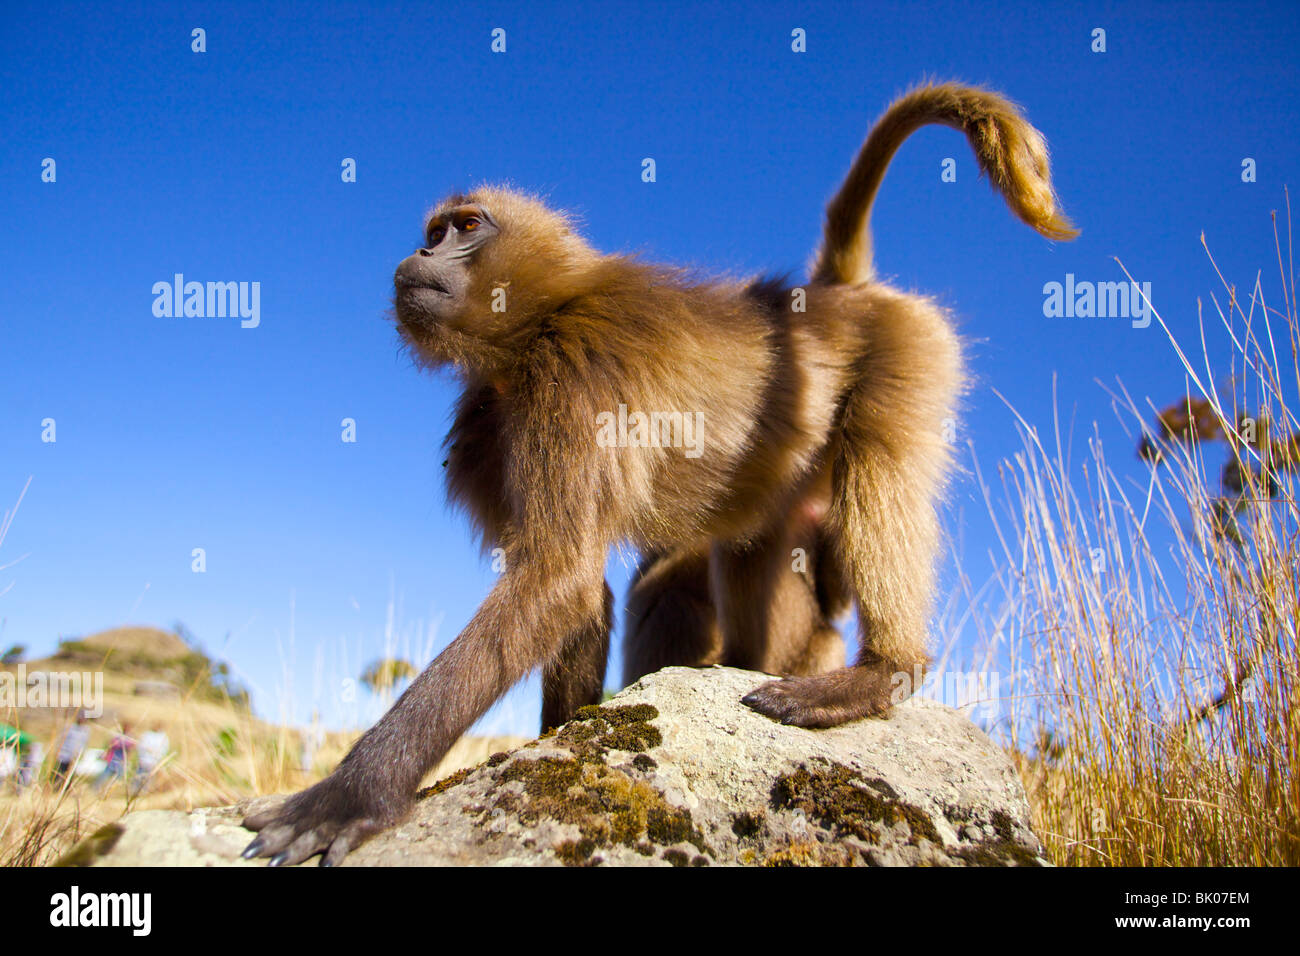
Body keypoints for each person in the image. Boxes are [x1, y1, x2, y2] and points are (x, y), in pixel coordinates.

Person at [53, 711, 90, 785]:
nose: (82, 720)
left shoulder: (86, 730)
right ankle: (56, 787)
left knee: (70, 774)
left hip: (74, 756)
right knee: (60, 772)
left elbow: (84, 743)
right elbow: (61, 739)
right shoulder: (69, 727)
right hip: (64, 754)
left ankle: (66, 789)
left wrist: (82, 754)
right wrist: (57, 750)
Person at [131, 725, 169, 795]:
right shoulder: (148, 735)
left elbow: (163, 750)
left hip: (152, 762)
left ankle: (142, 792)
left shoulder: (161, 737)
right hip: (145, 761)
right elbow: (140, 746)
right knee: (140, 778)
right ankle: (135, 792)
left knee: (147, 779)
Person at [94, 723, 133, 791]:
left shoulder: (129, 738)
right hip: (112, 760)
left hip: (121, 761)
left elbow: (131, 747)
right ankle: (96, 788)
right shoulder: (117, 736)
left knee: (118, 779)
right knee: (104, 776)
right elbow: (111, 744)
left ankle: (111, 791)